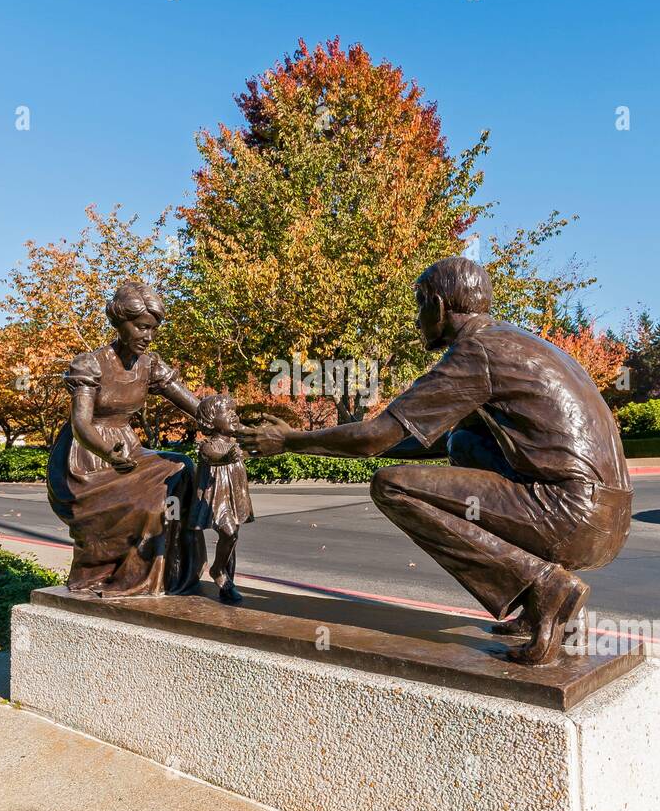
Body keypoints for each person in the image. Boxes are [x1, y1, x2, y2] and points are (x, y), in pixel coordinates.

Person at [235, 257, 632, 665]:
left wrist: (290, 440)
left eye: (419, 305)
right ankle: (539, 606)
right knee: (463, 442)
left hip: (571, 514)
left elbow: (377, 437)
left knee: (391, 486)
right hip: (605, 517)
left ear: (439, 307)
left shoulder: (476, 352)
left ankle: (545, 586)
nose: (416, 319)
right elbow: (415, 439)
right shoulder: (514, 341)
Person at [47, 280, 206, 597]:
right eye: (141, 328)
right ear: (120, 323)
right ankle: (119, 574)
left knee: (183, 468)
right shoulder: (90, 364)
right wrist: (109, 453)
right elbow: (81, 423)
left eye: (153, 329)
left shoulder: (150, 365)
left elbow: (197, 408)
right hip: (87, 459)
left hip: (128, 451)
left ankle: (167, 575)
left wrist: (231, 426)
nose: (148, 337)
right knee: (148, 502)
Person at [190, 393, 253, 605]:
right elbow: (212, 457)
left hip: (234, 498)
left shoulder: (237, 444)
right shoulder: (208, 446)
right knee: (229, 533)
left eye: (235, 412)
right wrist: (226, 457)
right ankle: (217, 570)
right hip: (216, 501)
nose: (234, 416)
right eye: (228, 412)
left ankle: (227, 583)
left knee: (232, 541)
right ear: (211, 421)